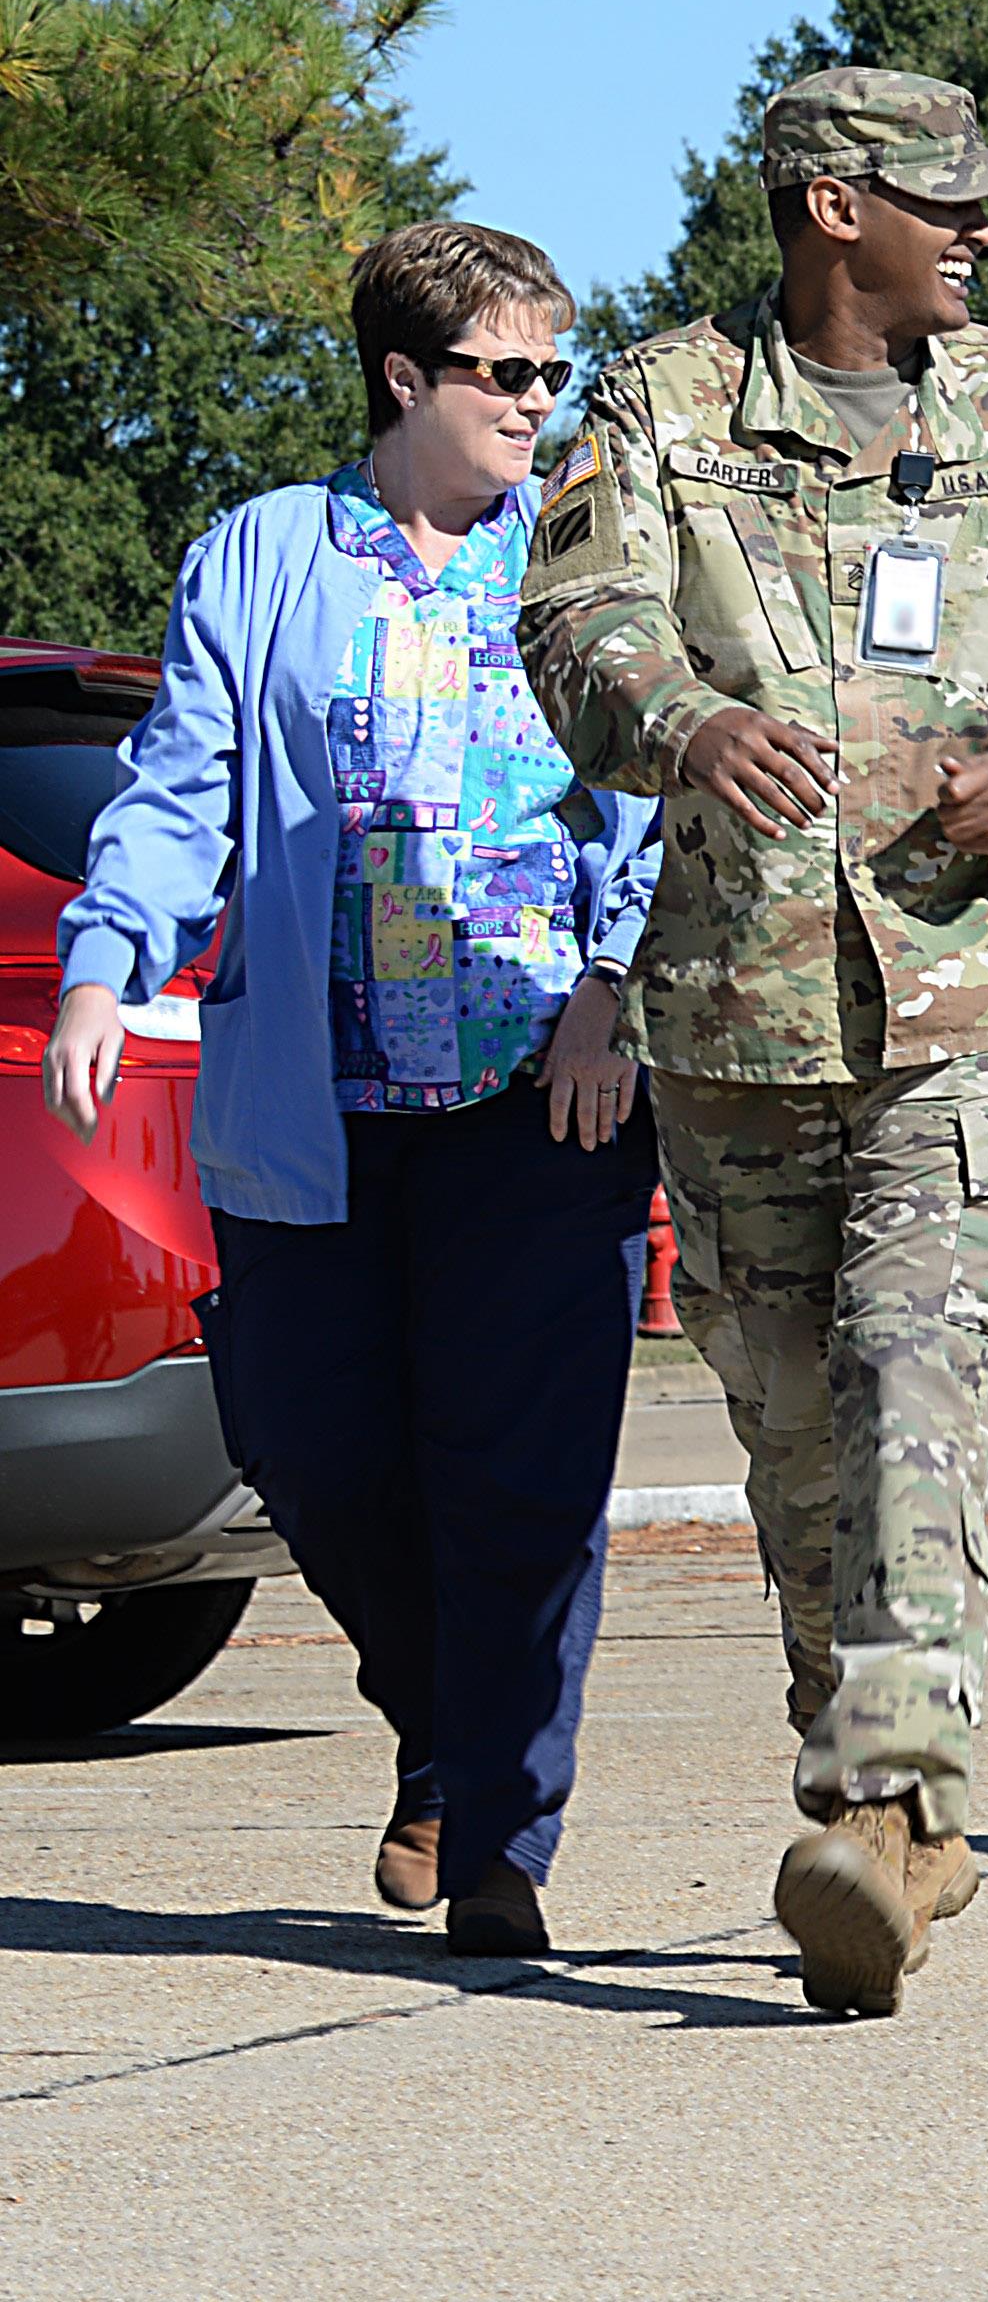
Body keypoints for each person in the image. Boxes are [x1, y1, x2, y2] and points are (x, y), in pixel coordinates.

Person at [524, 68, 988, 2011]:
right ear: (828, 207)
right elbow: (577, 620)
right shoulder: (663, 406)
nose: (979, 227)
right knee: (801, 1444)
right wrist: (683, 725)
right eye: (941, 198)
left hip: (966, 1003)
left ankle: (888, 1787)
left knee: (914, 1371)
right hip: (739, 1016)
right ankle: (881, 1830)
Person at [46, 219, 659, 1960]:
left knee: (522, 1480)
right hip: (310, 1102)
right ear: (408, 379)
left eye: (556, 370)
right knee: (309, 1450)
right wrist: (104, 962)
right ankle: (449, 1731)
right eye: (507, 374)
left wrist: (607, 1000)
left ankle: (503, 1841)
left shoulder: (584, 562)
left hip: (548, 1096)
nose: (542, 403)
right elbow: (183, 787)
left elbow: (649, 808)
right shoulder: (262, 557)